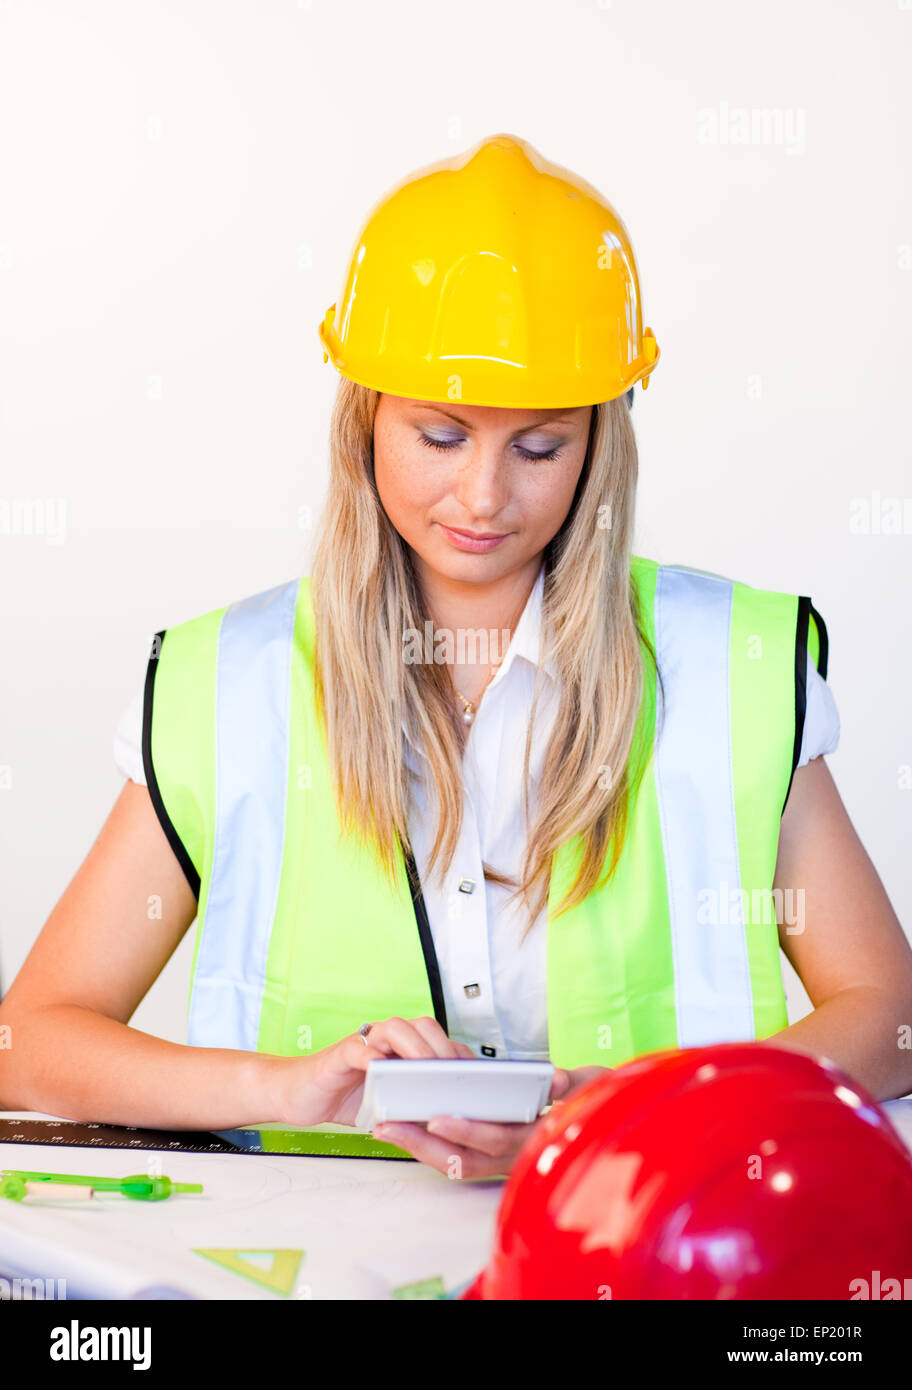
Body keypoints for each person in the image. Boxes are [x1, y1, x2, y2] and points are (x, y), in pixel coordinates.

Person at [2, 135, 911, 1184]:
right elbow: (34, 1040)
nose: (484, 497)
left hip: (650, 1243)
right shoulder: (229, 682)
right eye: (441, 436)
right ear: (366, 423)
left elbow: (887, 1020)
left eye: (539, 446)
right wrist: (286, 1085)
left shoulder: (732, 667)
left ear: (600, 440)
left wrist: (634, 1111)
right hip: (308, 1259)